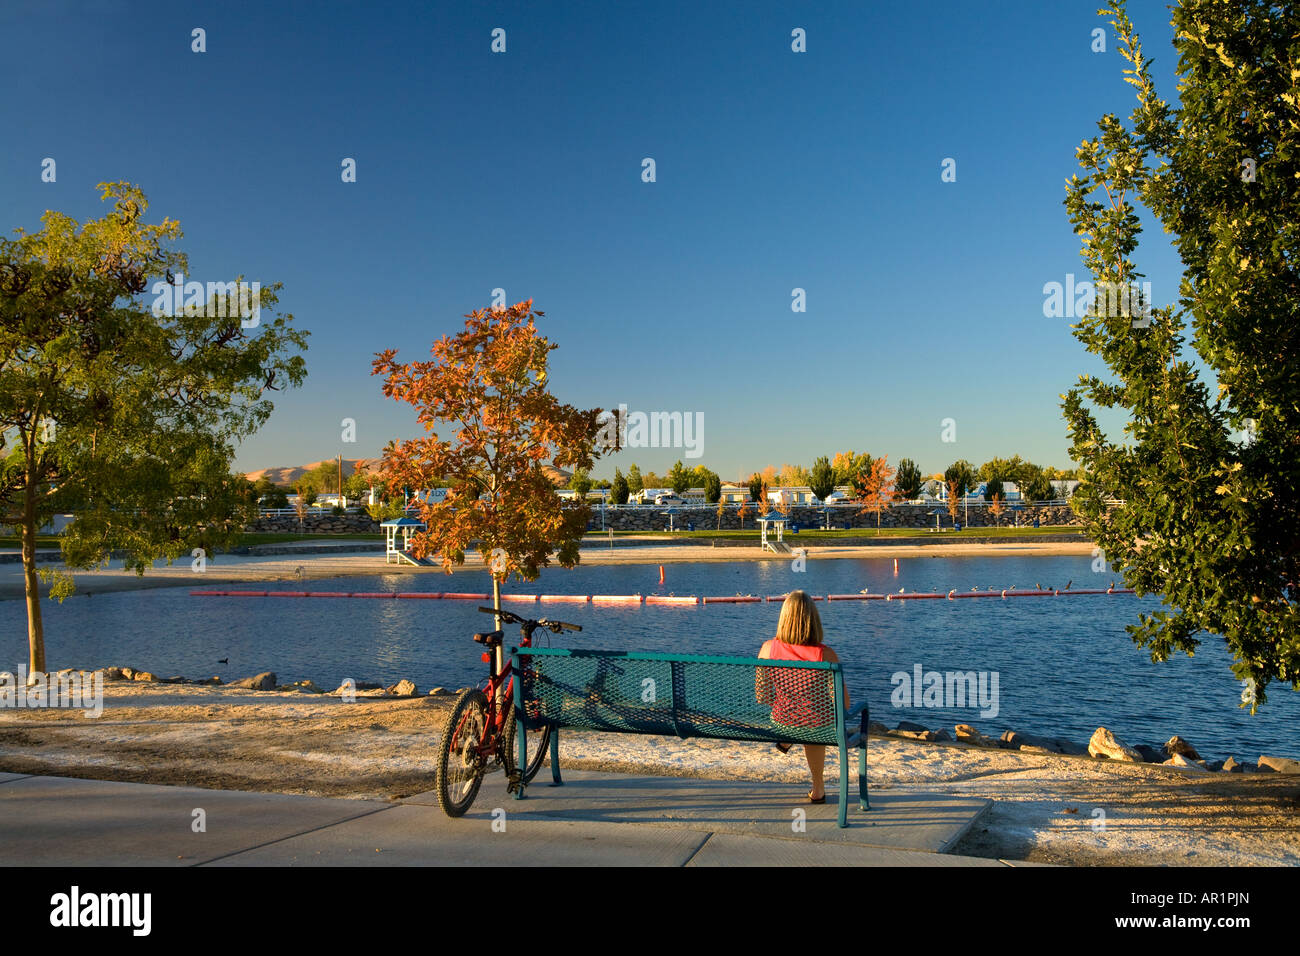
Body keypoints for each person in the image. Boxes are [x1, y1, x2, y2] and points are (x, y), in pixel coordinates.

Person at [756, 590, 849, 804]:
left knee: (802, 719)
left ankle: (788, 738)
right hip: (815, 725)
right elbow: (843, 704)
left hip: (781, 721)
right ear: (813, 620)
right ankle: (818, 789)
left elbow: (762, 696)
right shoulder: (826, 655)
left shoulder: (768, 649)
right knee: (815, 725)